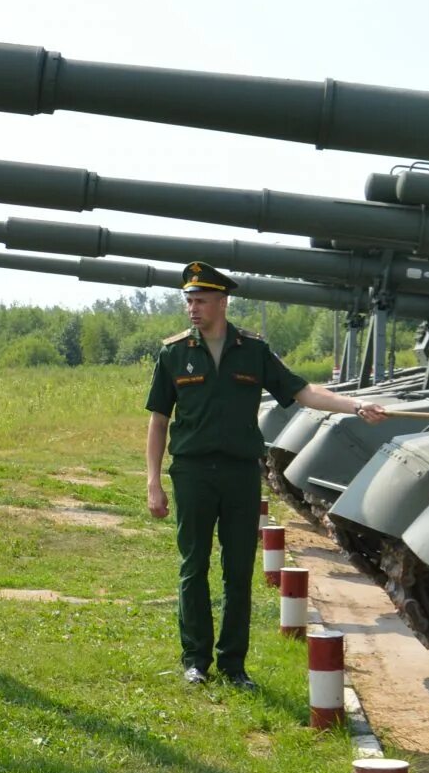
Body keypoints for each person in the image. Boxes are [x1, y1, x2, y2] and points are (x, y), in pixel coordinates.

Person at [143, 262, 385, 687]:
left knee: (239, 571)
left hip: (239, 473)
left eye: (200, 301)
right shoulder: (174, 352)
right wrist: (153, 481)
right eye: (189, 301)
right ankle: (195, 661)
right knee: (193, 566)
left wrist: (354, 405)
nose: (192, 309)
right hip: (193, 472)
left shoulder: (253, 351)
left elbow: (303, 391)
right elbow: (159, 419)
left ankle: (233, 666)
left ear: (222, 302)